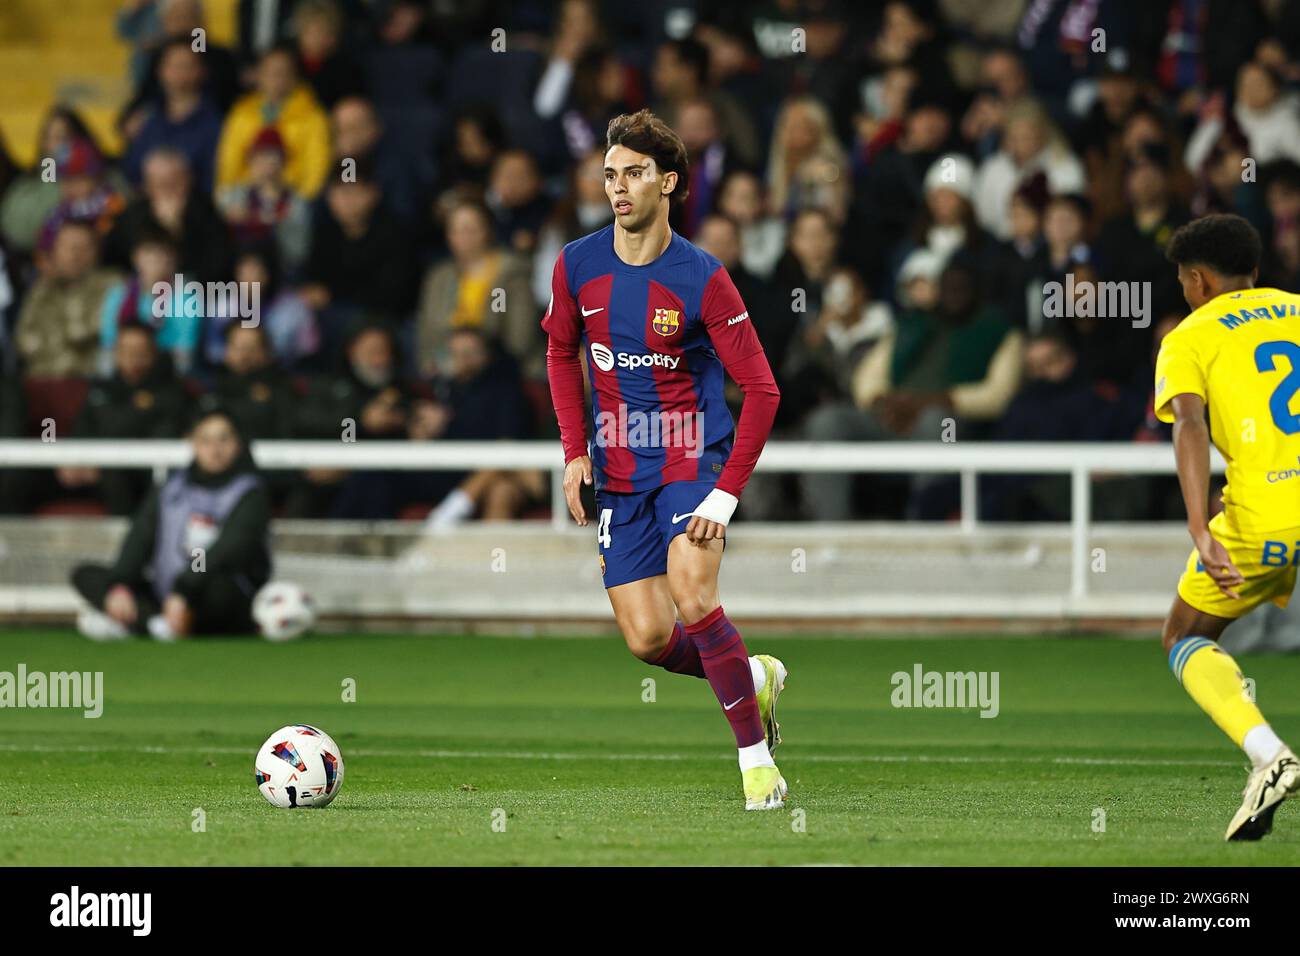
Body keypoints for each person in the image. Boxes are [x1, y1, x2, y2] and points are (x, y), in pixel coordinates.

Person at [543, 109, 787, 811]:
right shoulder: (576, 265)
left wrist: (726, 492)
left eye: (635, 173)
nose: (619, 187)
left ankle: (755, 762)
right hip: (618, 471)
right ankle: (753, 673)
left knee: (693, 590)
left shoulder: (703, 278)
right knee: (649, 638)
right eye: (611, 174)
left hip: (689, 456)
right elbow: (561, 352)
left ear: (669, 182)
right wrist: (574, 452)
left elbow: (764, 390)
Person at [1155, 213, 1300, 840]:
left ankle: (1269, 755)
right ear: (1257, 272)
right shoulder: (1295, 307)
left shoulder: (1190, 335)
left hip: (1267, 511)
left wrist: (1197, 522)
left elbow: (1189, 424)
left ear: (1198, 280)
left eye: (1185, 282)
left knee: (1184, 634)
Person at [71, 407, 271, 640]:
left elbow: (223, 550)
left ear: (238, 443)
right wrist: (121, 585)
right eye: (206, 440)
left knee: (219, 591)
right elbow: (140, 538)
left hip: (215, 591)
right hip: (166, 593)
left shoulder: (249, 493)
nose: (215, 450)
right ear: (193, 443)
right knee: (86, 575)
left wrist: (184, 590)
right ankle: (155, 623)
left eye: (223, 439)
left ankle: (138, 624)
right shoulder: (170, 489)